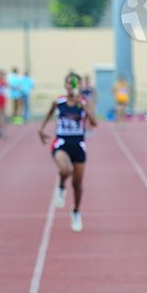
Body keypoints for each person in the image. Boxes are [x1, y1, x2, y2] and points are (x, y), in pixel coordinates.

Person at [38, 72, 98, 232]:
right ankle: (61, 186)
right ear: (65, 85)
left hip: (78, 144)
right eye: (69, 84)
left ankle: (76, 211)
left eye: (74, 84)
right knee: (66, 170)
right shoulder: (59, 101)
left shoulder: (85, 102)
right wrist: (41, 128)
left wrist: (84, 105)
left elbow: (94, 122)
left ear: (79, 86)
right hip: (61, 143)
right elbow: (49, 113)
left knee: (78, 184)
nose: (71, 87)